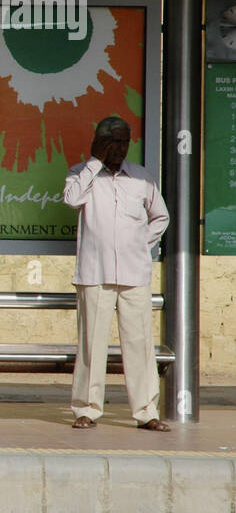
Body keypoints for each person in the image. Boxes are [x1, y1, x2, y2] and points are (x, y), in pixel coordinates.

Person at [62, 116, 170, 431]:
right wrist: (95, 161)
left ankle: (146, 412)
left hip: (134, 273)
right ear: (100, 142)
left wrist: (140, 244)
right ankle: (86, 409)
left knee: (139, 344)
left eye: (125, 141)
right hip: (94, 273)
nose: (120, 148)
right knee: (91, 345)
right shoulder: (80, 174)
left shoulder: (141, 178)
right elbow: (71, 200)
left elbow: (160, 217)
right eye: (114, 141)